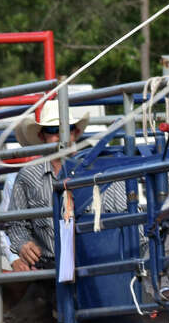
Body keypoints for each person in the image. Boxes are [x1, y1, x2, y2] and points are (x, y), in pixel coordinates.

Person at [7, 109, 126, 273]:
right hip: (51, 269)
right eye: (52, 130)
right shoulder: (27, 176)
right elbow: (16, 224)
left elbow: (126, 216)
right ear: (42, 136)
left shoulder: (101, 169)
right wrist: (23, 244)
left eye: (66, 129)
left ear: (75, 132)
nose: (60, 135)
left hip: (101, 264)